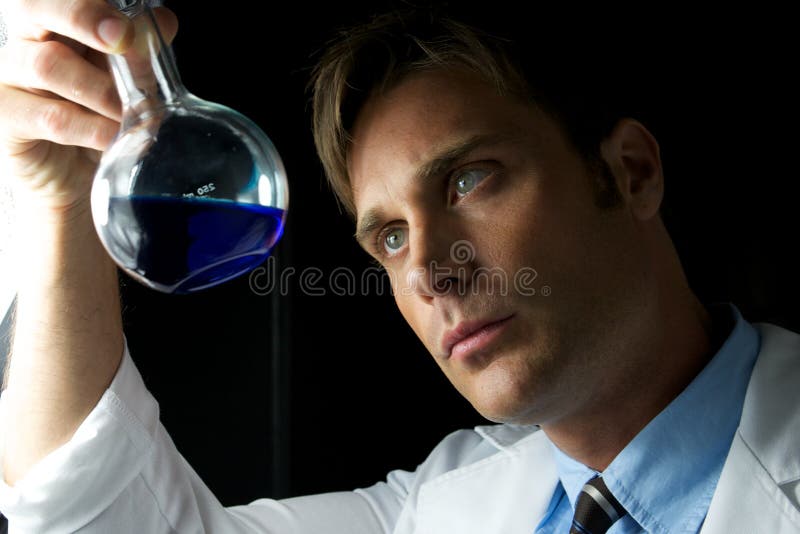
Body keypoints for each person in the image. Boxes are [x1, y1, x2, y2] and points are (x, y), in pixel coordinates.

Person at [0, 1, 798, 533]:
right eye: (388, 237)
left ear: (630, 172)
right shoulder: (437, 509)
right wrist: (63, 204)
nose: (429, 273)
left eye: (468, 181)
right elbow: (94, 517)